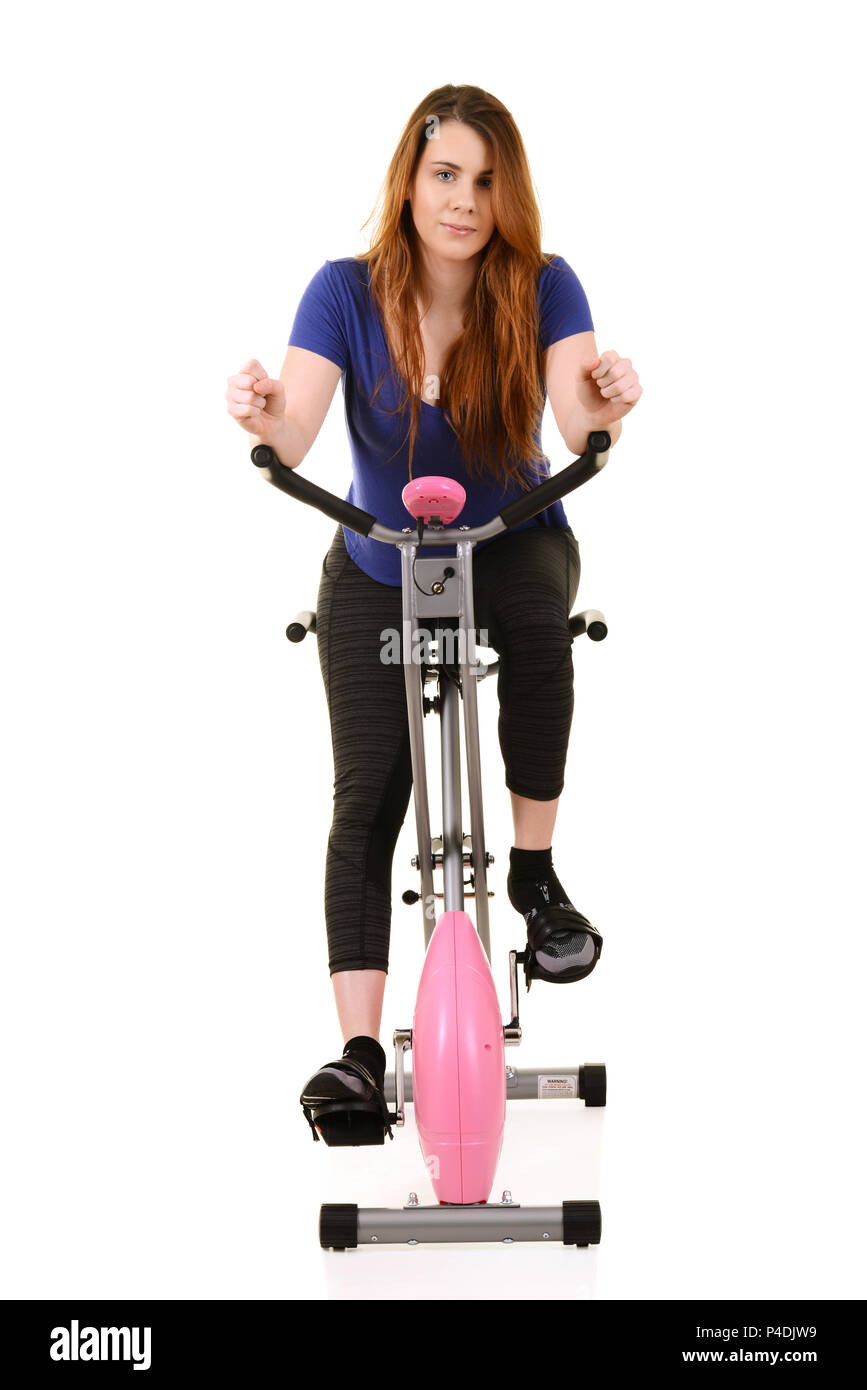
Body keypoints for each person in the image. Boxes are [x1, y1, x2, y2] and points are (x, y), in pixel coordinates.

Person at [226, 84, 642, 1147]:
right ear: (409, 183)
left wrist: (606, 396)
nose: (463, 200)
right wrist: (266, 409)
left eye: (486, 180)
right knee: (369, 793)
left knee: (546, 635)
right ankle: (361, 1056)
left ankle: (538, 881)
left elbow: (574, 410)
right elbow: (301, 427)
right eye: (444, 175)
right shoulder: (343, 293)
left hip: (513, 538)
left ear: (511, 193)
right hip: (378, 559)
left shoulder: (545, 285)